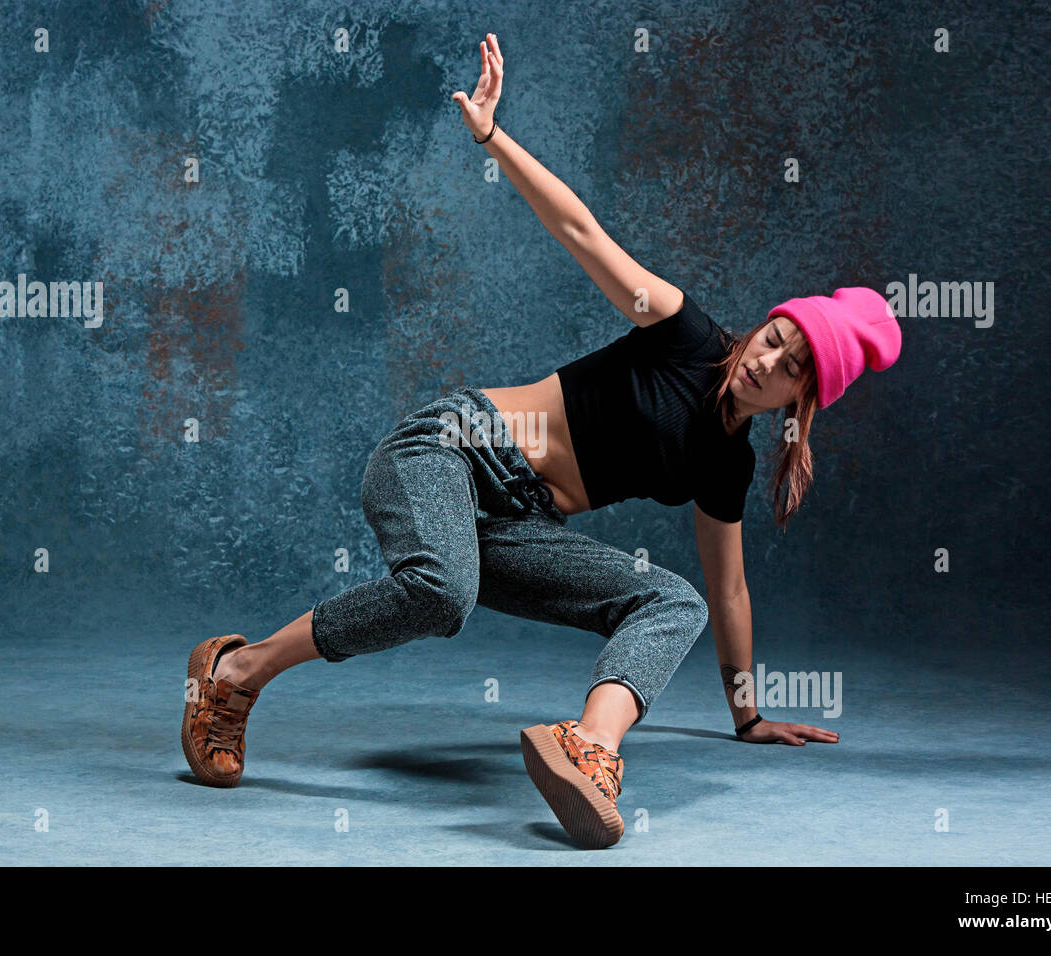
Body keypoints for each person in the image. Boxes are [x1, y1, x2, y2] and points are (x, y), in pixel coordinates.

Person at [181, 32, 902, 849]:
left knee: (676, 601)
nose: (766, 361)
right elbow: (584, 232)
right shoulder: (686, 334)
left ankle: (589, 747)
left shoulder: (725, 462)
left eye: (789, 369)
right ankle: (234, 672)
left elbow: (728, 592)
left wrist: (748, 714)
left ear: (800, 402)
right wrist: (492, 135)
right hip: (451, 447)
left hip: (517, 525)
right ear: (768, 321)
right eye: (777, 336)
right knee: (443, 595)